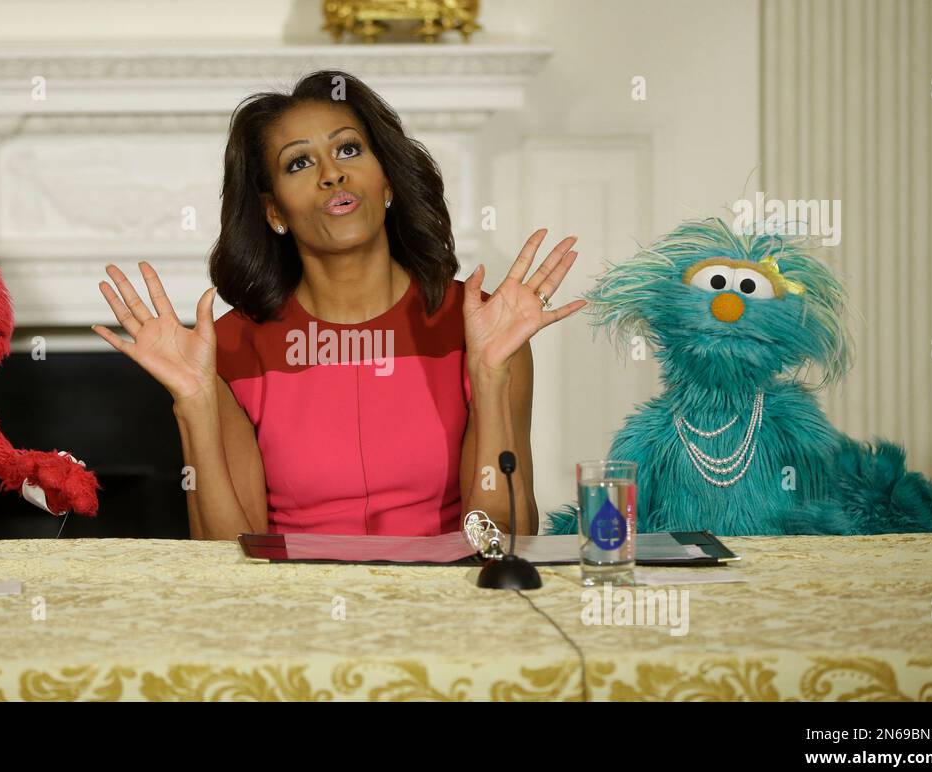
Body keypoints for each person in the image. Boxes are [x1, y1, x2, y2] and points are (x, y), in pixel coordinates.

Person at [92, 71, 584, 540]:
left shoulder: (481, 328)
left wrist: (490, 375)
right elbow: (228, 558)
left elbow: (502, 539)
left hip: (443, 608)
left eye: (348, 149)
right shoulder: (230, 351)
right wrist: (195, 404)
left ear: (387, 181)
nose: (332, 174)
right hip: (295, 613)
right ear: (274, 211)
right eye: (299, 163)